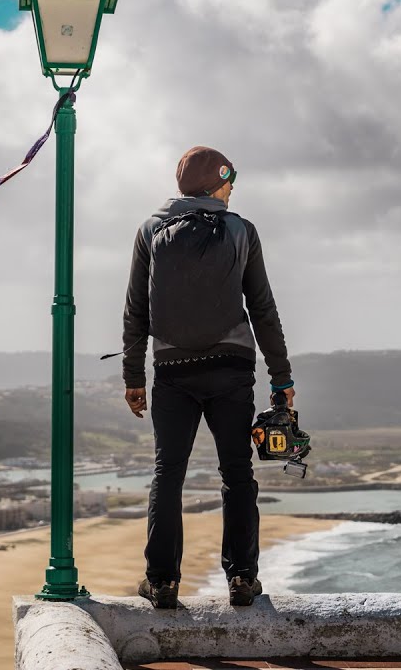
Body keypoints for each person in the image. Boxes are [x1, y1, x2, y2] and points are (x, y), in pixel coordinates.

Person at [120, 145, 295, 609]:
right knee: (237, 473)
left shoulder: (150, 229)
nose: (232, 188)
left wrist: (133, 376)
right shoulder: (241, 230)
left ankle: (161, 582)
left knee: (168, 475)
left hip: (171, 371)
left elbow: (136, 309)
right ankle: (241, 579)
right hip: (232, 370)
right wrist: (281, 378)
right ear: (214, 183)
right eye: (228, 179)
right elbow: (263, 309)